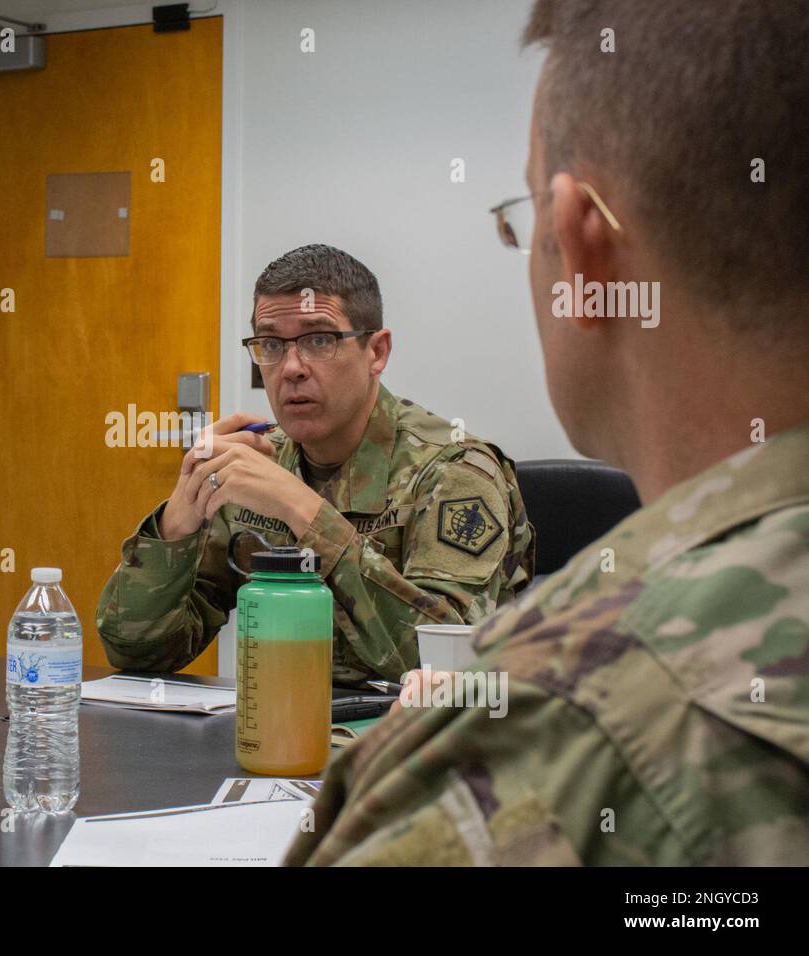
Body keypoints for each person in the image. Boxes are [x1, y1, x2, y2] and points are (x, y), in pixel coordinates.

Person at [286, 0, 809, 865]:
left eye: (520, 220)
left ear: (582, 245)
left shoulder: (545, 724)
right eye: (271, 347)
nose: (291, 368)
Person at [97, 245, 535, 686]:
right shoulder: (260, 463)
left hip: (413, 743)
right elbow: (138, 651)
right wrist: (178, 521)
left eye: (319, 340)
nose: (290, 368)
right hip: (279, 728)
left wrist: (300, 509)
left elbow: (443, 665)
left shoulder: (455, 471)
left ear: (376, 352)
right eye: (270, 344)